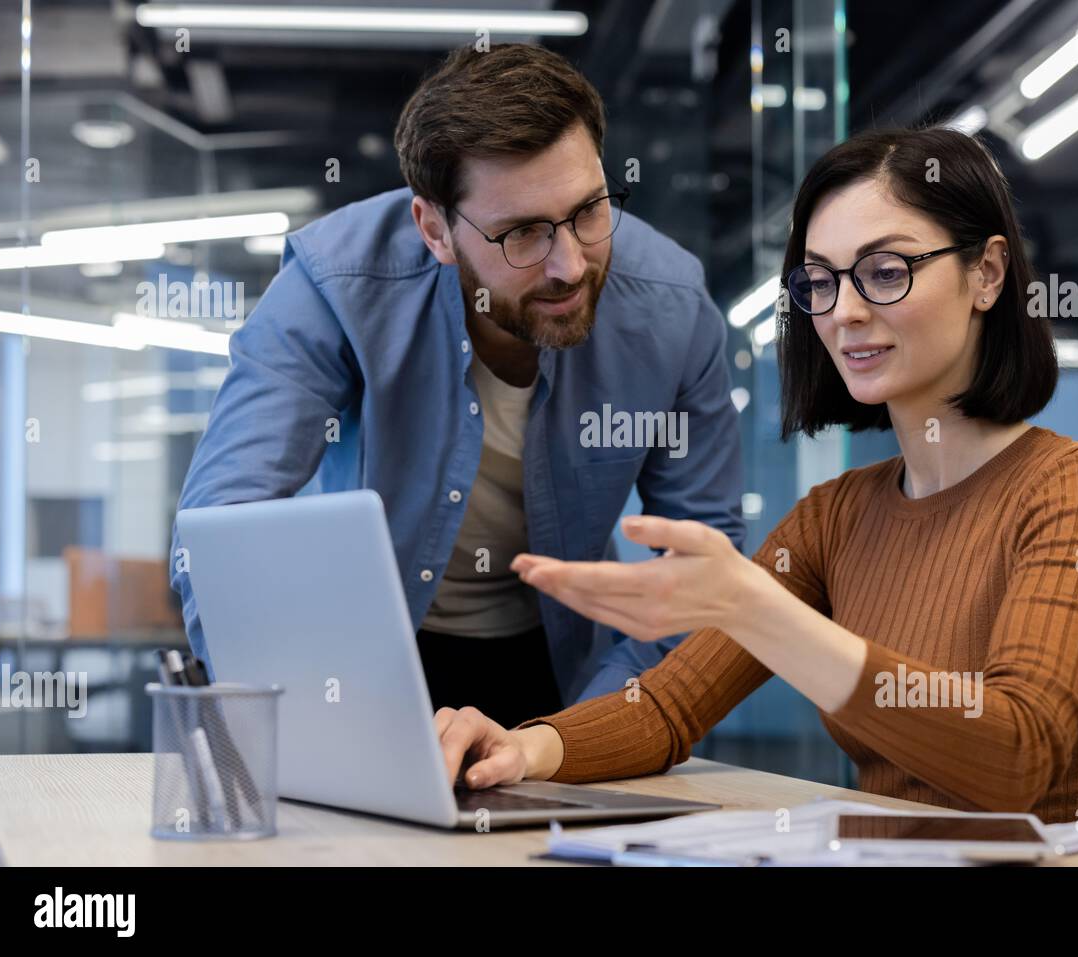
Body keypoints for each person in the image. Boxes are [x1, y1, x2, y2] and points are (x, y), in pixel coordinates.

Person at [436, 126, 1078, 838]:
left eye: (885, 271)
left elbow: (1017, 757)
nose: (843, 311)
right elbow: (665, 707)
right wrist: (524, 747)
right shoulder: (836, 516)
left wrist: (760, 611)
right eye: (820, 281)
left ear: (987, 274)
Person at [170, 43, 744, 729]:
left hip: (569, 667)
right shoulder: (337, 285)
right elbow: (220, 538)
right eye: (522, 234)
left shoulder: (671, 308)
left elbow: (707, 568)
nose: (570, 264)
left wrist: (585, 737)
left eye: (590, 210)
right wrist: (307, 722)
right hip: (365, 665)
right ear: (434, 229)